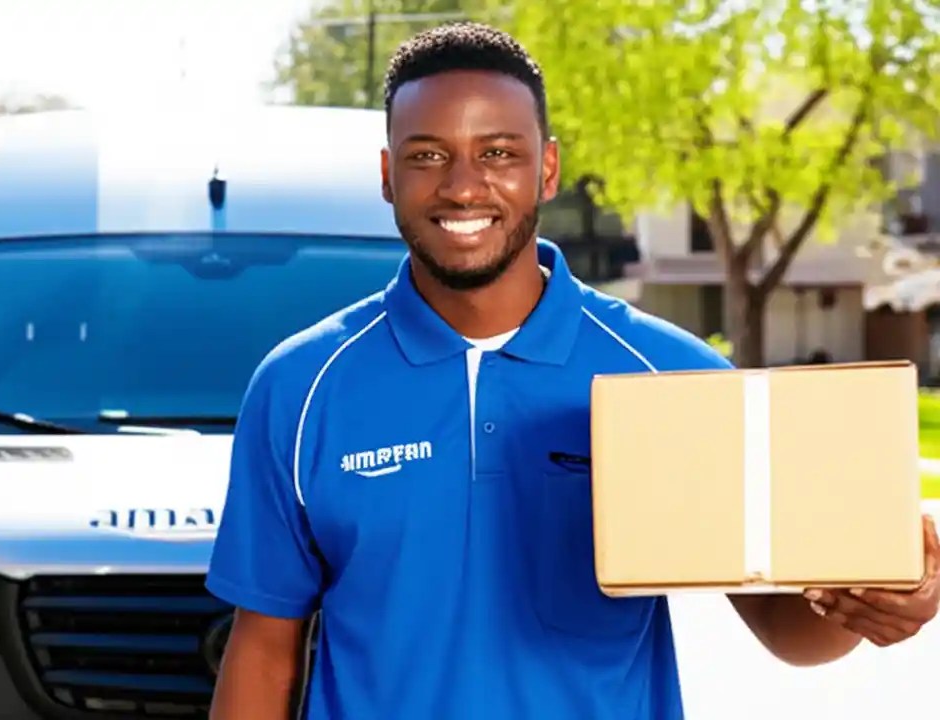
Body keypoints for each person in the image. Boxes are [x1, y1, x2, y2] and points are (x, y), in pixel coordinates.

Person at [203, 21, 940, 720]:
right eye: (428, 155)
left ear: (546, 168)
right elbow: (266, 650)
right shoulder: (301, 386)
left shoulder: (669, 375)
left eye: (498, 152)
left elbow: (784, 628)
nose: (463, 186)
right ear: (389, 175)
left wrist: (865, 605)